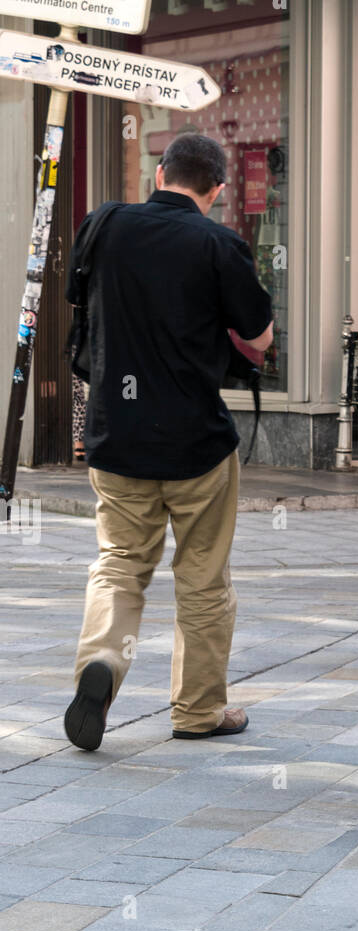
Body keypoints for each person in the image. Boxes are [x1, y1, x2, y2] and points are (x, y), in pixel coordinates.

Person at [63, 133, 273, 752]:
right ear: (217, 189)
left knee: (120, 565)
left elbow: (80, 303)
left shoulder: (102, 225)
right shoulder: (219, 244)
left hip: (115, 434)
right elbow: (258, 338)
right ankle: (198, 710)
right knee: (203, 579)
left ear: (159, 174)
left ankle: (100, 664)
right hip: (195, 444)